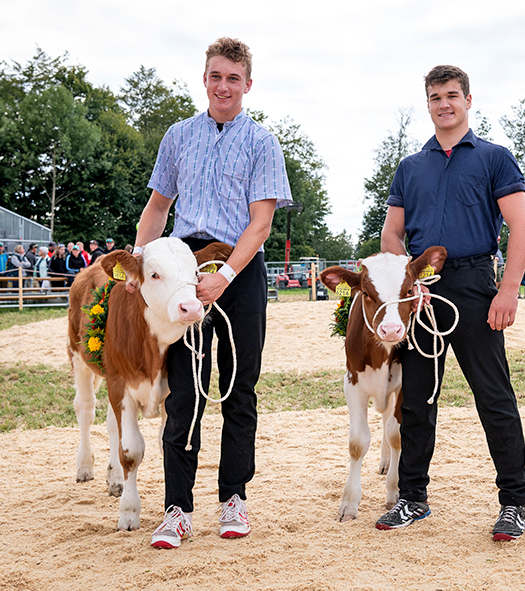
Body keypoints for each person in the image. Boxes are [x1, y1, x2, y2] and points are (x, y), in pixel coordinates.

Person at [135, 37, 292, 550]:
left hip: (239, 269)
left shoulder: (262, 142)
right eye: (216, 76)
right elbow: (159, 207)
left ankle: (233, 498)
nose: (224, 86)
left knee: (240, 388)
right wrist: (142, 264)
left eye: (233, 78)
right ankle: (177, 509)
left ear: (248, 84)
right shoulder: (178, 136)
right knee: (185, 391)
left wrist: (224, 275)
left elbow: (262, 222)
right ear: (204, 79)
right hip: (183, 266)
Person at [376, 64, 525, 541]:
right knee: (418, 397)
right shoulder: (410, 167)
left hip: (473, 285)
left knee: (494, 396)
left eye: (451, 95)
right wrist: (405, 283)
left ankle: (514, 502)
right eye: (434, 97)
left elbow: (521, 227)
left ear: (468, 100)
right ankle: (412, 499)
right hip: (420, 292)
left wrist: (508, 290)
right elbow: (391, 233)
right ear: (427, 104)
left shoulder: (494, 158)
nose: (443, 104)